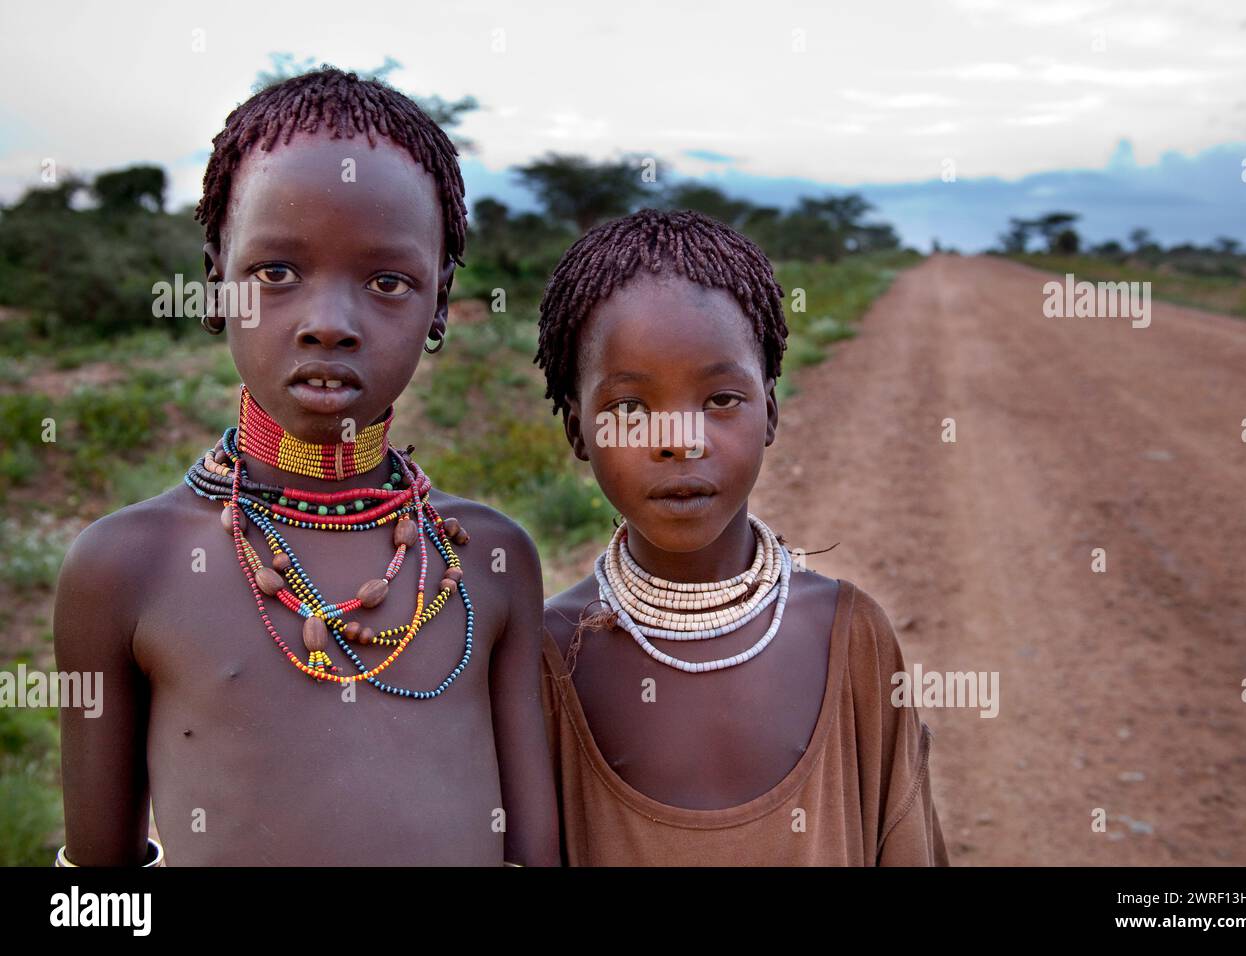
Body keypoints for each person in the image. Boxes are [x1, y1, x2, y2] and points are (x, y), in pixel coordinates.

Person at [52, 68, 558, 866]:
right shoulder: (124, 566)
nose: (328, 323)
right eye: (276, 273)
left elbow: (536, 855)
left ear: (440, 303)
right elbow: (97, 890)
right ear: (217, 278)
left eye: (388, 282)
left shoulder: (488, 563)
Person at [534, 208, 948, 865]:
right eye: (630, 408)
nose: (680, 441)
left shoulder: (852, 637)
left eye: (721, 400)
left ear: (771, 415)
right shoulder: (547, 658)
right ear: (578, 433)